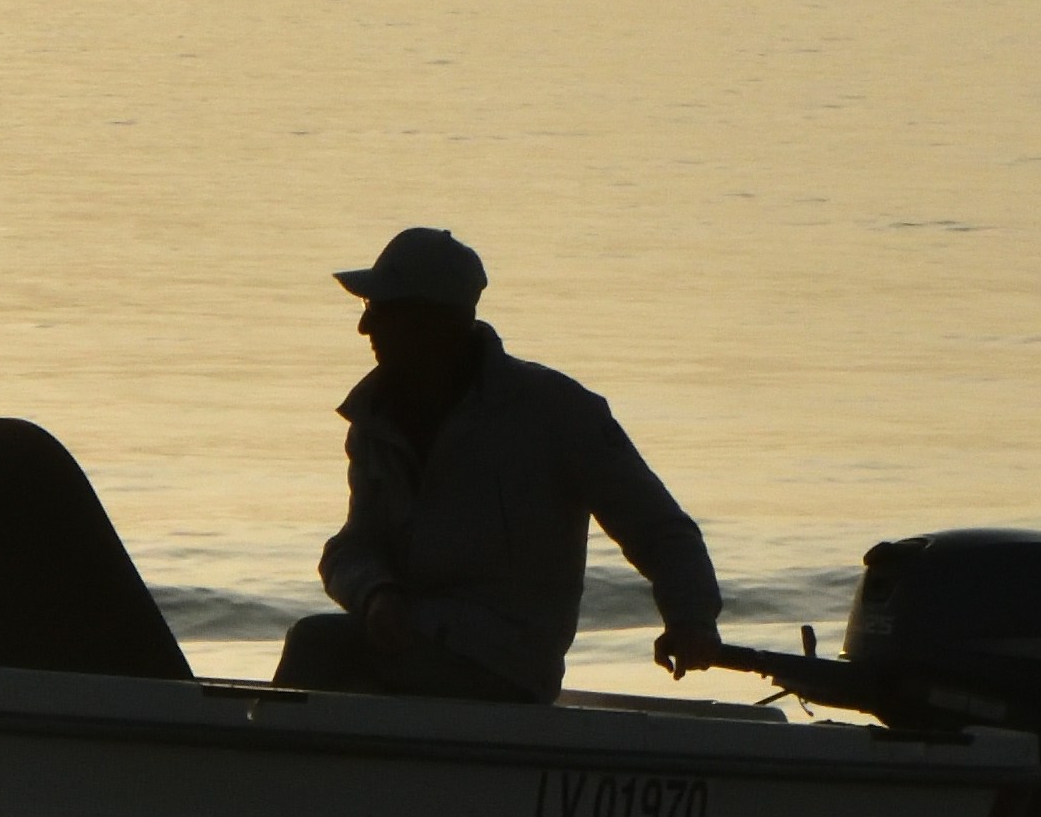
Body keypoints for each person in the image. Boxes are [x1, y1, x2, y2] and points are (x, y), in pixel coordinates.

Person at [275, 227, 727, 702]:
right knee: (323, 660)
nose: (365, 329)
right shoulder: (374, 423)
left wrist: (691, 619)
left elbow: (660, 529)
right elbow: (353, 547)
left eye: (380, 310)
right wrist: (376, 594)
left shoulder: (556, 412)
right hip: (410, 644)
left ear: (434, 322)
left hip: (507, 663)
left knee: (317, 645)